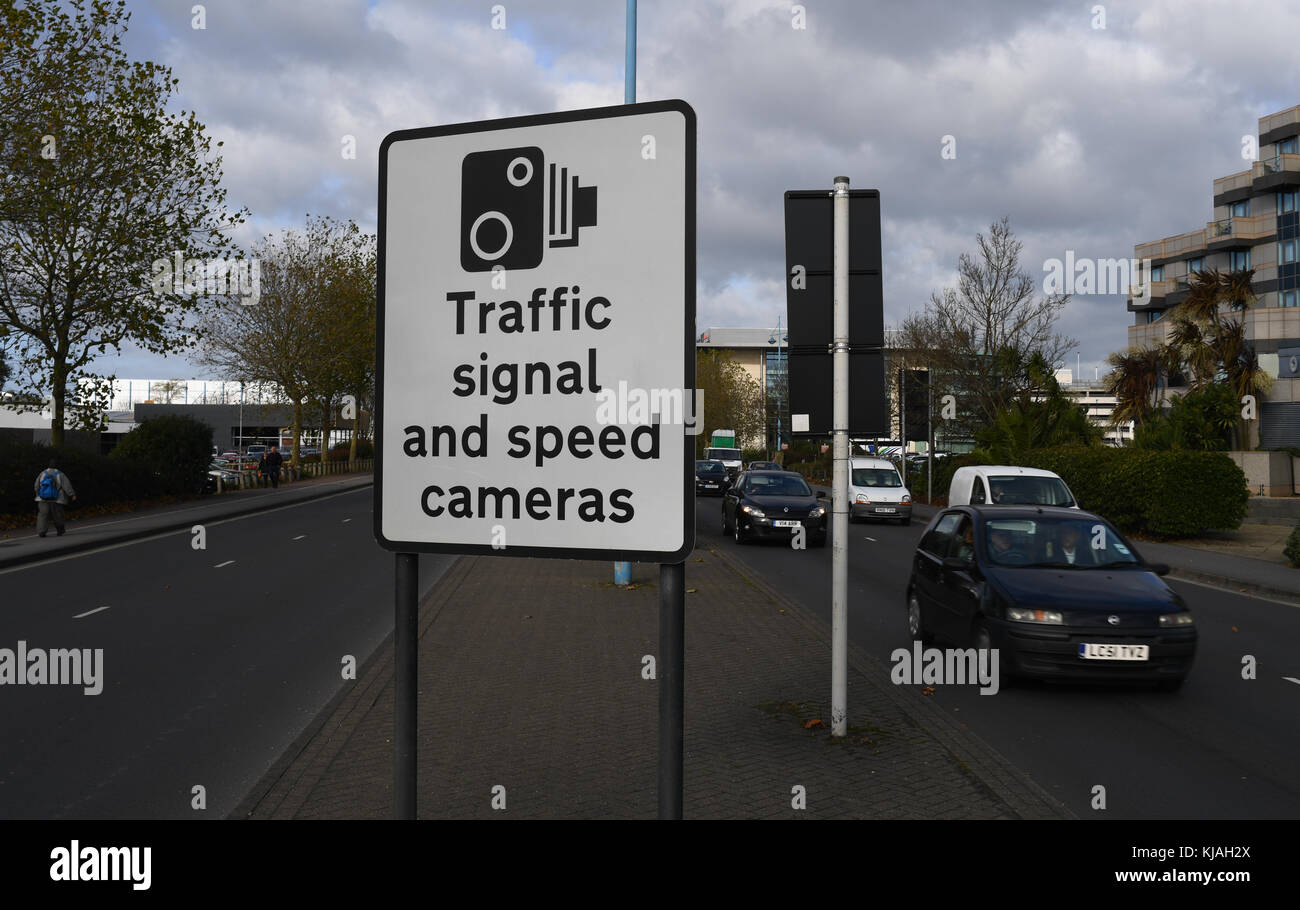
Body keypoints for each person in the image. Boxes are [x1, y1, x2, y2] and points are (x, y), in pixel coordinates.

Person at [34, 459, 76, 537]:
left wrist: (38, 494)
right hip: (57, 499)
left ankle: (41, 531)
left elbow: (36, 485)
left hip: (42, 499)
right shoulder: (60, 474)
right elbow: (67, 486)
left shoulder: (42, 473)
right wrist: (72, 494)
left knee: (43, 515)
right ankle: (60, 530)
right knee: (58, 515)